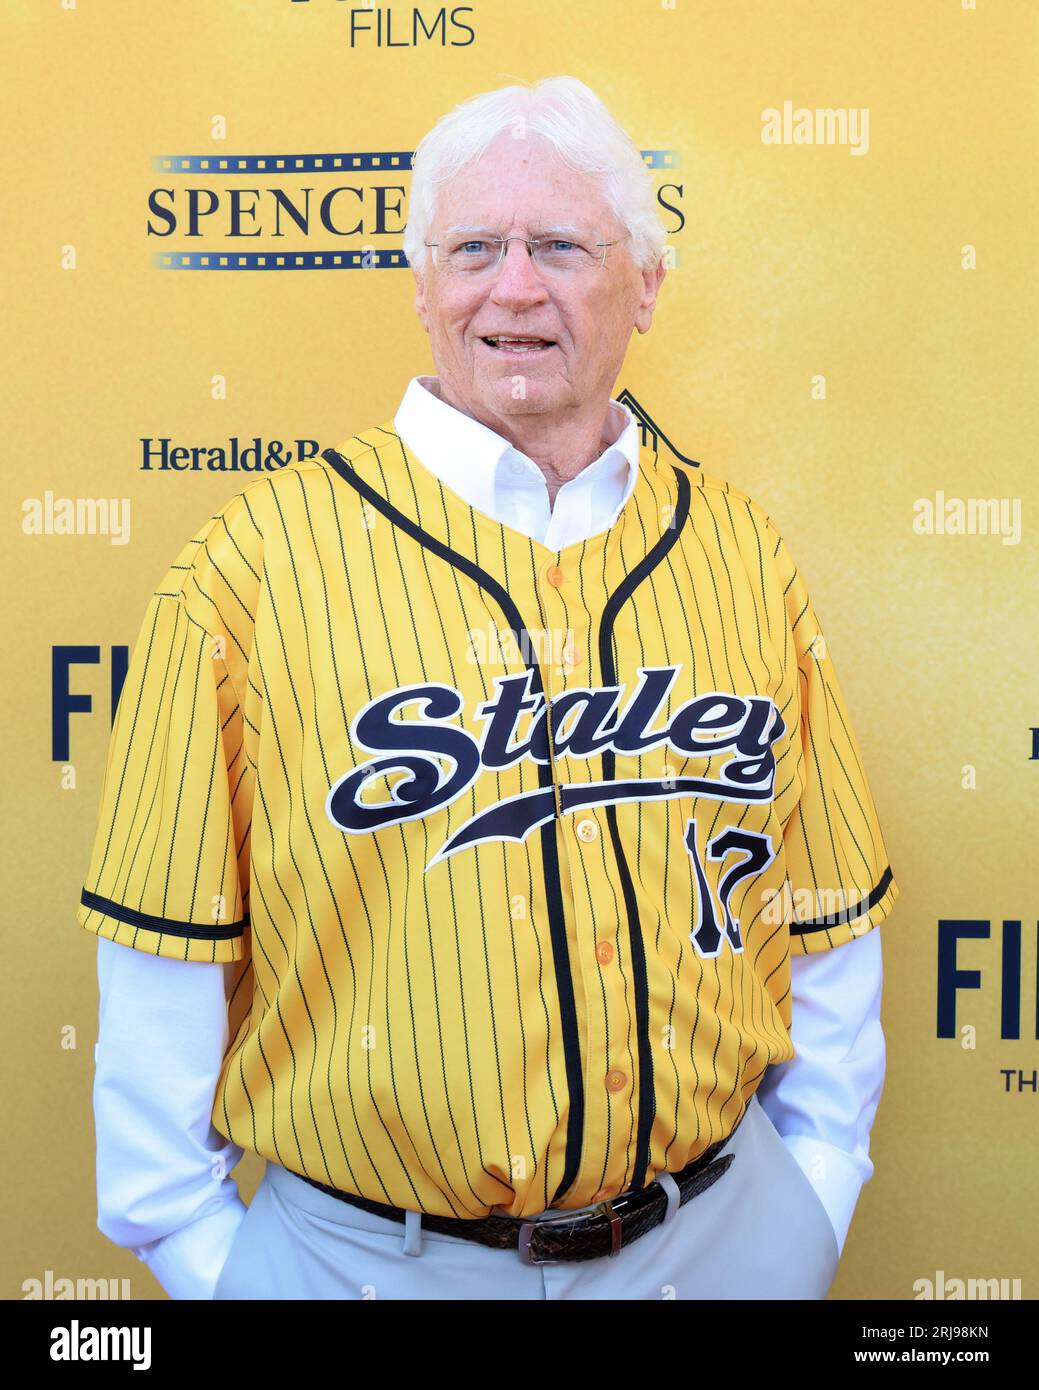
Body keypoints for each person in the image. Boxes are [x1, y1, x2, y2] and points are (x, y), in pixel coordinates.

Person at [77, 75, 899, 1300]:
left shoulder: (740, 550)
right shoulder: (251, 565)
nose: (514, 286)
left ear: (647, 285)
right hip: (368, 1263)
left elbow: (826, 915)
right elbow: (163, 953)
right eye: (473, 248)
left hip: (717, 1240)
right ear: (421, 289)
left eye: (562, 245)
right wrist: (210, 1262)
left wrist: (816, 1191)